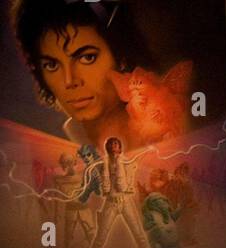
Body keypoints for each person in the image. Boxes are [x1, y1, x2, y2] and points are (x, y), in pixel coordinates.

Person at [9, 0, 158, 152]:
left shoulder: (167, 127)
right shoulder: (52, 145)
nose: (69, 81)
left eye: (87, 58)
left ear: (121, 56)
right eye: (52, 65)